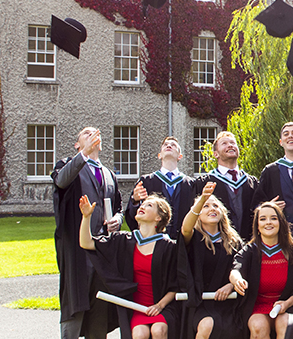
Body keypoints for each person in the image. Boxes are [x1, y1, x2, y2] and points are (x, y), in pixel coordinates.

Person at [78, 195, 180, 339]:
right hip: (136, 307)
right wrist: (86, 216)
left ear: (159, 217)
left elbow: (176, 285)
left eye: (149, 205)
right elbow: (86, 243)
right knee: (139, 334)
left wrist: (159, 306)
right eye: (142, 204)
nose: (142, 206)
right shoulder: (123, 241)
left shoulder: (169, 247)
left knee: (158, 330)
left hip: (163, 306)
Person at [53, 127, 122, 339]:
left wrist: (117, 220)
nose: (92, 134)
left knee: (100, 309)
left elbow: (118, 206)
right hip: (77, 250)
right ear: (77, 145)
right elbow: (61, 181)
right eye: (85, 133)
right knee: (75, 304)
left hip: (103, 252)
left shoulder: (109, 174)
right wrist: (83, 154)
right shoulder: (67, 165)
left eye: (95, 133)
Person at [230, 202, 293, 339]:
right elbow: (236, 269)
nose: (268, 222)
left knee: (286, 325)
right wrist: (238, 280)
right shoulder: (250, 251)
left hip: (288, 306)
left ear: (281, 223)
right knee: (258, 327)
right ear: (257, 226)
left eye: (273, 218)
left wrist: (287, 303)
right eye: (263, 219)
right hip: (257, 306)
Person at [180, 182, 243, 339]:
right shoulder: (194, 238)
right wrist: (202, 199)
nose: (212, 209)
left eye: (215, 206)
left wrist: (231, 285)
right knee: (207, 325)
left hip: (229, 302)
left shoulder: (233, 241)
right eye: (206, 207)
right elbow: (186, 228)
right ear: (198, 214)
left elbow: (243, 268)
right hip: (200, 303)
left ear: (222, 212)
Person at [254, 121, 293, 235]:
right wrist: (267, 206)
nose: (290, 136)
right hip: (281, 235)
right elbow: (256, 204)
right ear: (281, 142)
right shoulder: (270, 171)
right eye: (286, 134)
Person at [128, 136, 197, 238]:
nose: (169, 145)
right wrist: (135, 201)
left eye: (173, 145)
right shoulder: (146, 181)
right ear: (159, 155)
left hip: (183, 242)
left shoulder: (190, 184)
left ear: (180, 156)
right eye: (165, 145)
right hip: (154, 241)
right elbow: (133, 216)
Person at [196, 131, 259, 240]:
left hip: (249, 245)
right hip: (217, 245)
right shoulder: (204, 182)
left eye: (233, 143)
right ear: (216, 154)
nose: (230, 145)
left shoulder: (252, 182)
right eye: (224, 143)